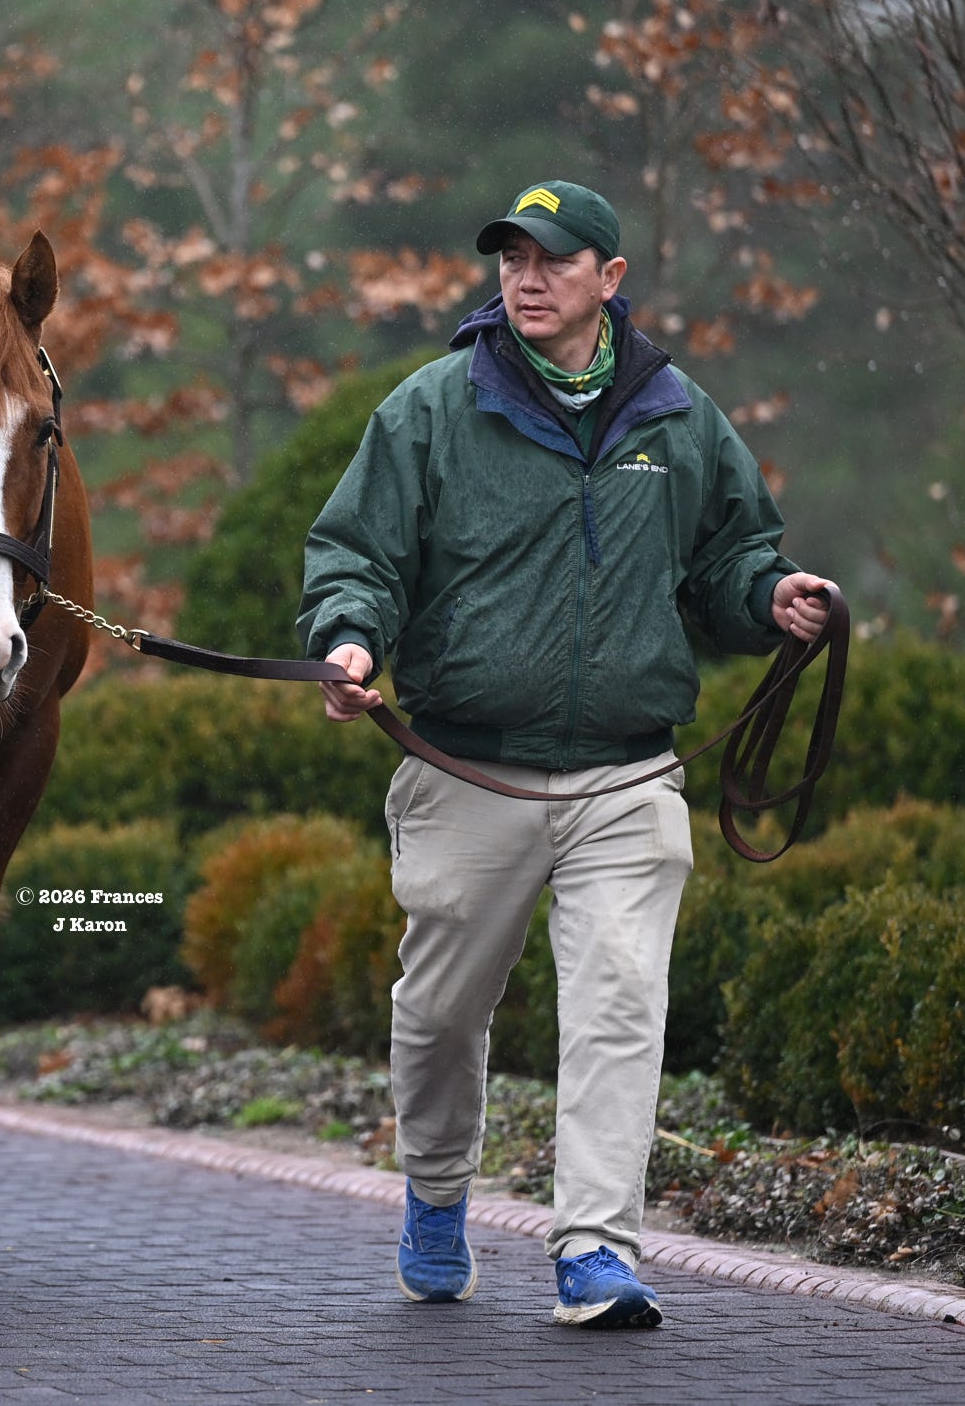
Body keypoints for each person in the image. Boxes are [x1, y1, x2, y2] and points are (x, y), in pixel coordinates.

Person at [297, 180, 833, 1328]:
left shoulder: (679, 418)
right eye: (509, 260)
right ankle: (437, 1195)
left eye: (552, 260)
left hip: (627, 778)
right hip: (463, 766)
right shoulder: (434, 408)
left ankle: (596, 1245)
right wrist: (347, 639)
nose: (525, 279)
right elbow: (359, 553)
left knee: (621, 1005)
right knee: (440, 1015)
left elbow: (732, 558)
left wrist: (771, 595)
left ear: (610, 279)